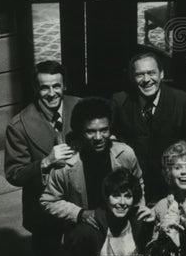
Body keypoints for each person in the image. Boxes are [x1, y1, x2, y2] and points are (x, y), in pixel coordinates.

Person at [4, 60, 80, 256]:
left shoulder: (80, 108)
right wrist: (45, 162)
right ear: (37, 88)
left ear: (64, 86)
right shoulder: (20, 125)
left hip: (81, 204)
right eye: (45, 87)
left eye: (56, 86)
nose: (51, 93)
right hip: (45, 212)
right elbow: (14, 174)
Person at [40, 97, 149, 229]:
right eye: (90, 132)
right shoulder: (65, 164)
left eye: (104, 130)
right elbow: (48, 201)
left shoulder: (125, 154)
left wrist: (138, 209)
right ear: (80, 132)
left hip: (123, 225)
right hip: (86, 232)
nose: (98, 138)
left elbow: (138, 183)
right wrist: (80, 214)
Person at [112, 49, 186, 205]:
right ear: (132, 78)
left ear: (161, 74)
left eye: (151, 73)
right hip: (134, 189)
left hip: (172, 188)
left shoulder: (183, 102)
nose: (146, 79)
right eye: (140, 74)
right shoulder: (119, 102)